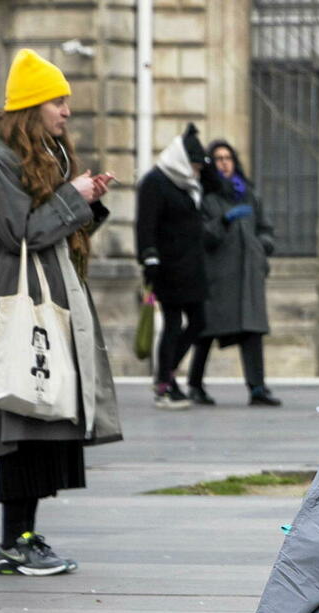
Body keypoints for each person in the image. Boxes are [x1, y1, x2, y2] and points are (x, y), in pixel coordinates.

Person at [0, 48, 120, 575]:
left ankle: (25, 535)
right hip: (15, 315)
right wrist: (71, 196)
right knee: (22, 422)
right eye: (58, 100)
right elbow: (22, 232)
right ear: (32, 107)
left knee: (42, 421)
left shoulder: (34, 159)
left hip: (43, 310)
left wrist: (85, 202)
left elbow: (48, 232)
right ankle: (13, 541)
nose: (67, 111)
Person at [188, 140, 280, 406]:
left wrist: (263, 246)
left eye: (228, 158)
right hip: (219, 276)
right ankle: (195, 385)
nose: (224, 163)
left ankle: (257, 388)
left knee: (252, 331)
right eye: (218, 159)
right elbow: (203, 236)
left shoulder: (249, 194)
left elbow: (265, 228)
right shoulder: (206, 197)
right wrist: (224, 221)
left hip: (249, 273)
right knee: (206, 331)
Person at [137, 123, 210, 410]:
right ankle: (164, 383)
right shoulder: (155, 182)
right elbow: (145, 225)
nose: (198, 171)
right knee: (171, 324)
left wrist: (194, 143)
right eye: (194, 164)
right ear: (181, 161)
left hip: (191, 267)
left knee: (199, 322)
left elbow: (213, 182)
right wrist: (149, 256)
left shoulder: (187, 183)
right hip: (168, 268)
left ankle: (166, 373)